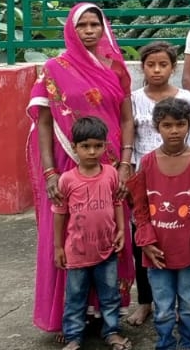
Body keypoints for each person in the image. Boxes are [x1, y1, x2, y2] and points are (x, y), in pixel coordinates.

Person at [26, 2, 136, 338]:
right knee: (66, 234)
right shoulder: (54, 68)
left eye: (95, 24)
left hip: (110, 165)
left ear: (104, 28)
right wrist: (50, 173)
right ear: (71, 30)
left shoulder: (116, 67)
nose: (89, 31)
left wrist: (125, 164)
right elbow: (45, 123)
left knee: (109, 231)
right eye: (82, 25)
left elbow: (126, 119)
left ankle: (106, 314)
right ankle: (67, 316)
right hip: (66, 164)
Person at [127, 98, 190, 350]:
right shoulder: (147, 162)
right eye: (167, 125)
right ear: (157, 127)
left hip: (189, 251)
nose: (174, 130)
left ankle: (188, 344)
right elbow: (140, 208)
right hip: (157, 253)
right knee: (163, 307)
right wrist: (146, 243)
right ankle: (165, 344)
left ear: (189, 125)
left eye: (180, 124)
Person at [128, 41, 190, 328]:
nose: (157, 70)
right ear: (142, 68)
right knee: (143, 238)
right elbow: (129, 135)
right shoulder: (133, 98)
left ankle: (180, 302)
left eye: (163, 64)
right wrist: (127, 168)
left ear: (173, 67)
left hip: (181, 175)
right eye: (151, 65)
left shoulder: (185, 97)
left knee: (179, 234)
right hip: (145, 177)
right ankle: (146, 302)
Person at [52, 116, 131, 350]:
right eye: (85, 146)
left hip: (107, 250)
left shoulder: (111, 174)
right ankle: (73, 336)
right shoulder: (67, 180)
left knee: (110, 295)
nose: (92, 151)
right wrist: (58, 247)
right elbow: (59, 214)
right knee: (75, 297)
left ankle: (112, 331)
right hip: (76, 253)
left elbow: (117, 203)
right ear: (74, 147)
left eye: (98, 146)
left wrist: (121, 230)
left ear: (105, 146)